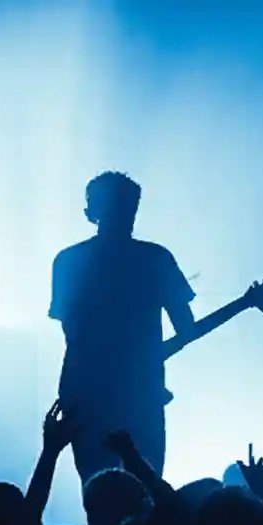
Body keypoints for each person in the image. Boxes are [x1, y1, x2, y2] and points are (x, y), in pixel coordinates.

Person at [49, 171, 196, 485]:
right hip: (138, 395)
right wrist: (144, 359)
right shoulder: (155, 258)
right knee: (146, 488)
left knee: (97, 490)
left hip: (87, 394)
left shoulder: (68, 261)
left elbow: (72, 332)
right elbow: (187, 328)